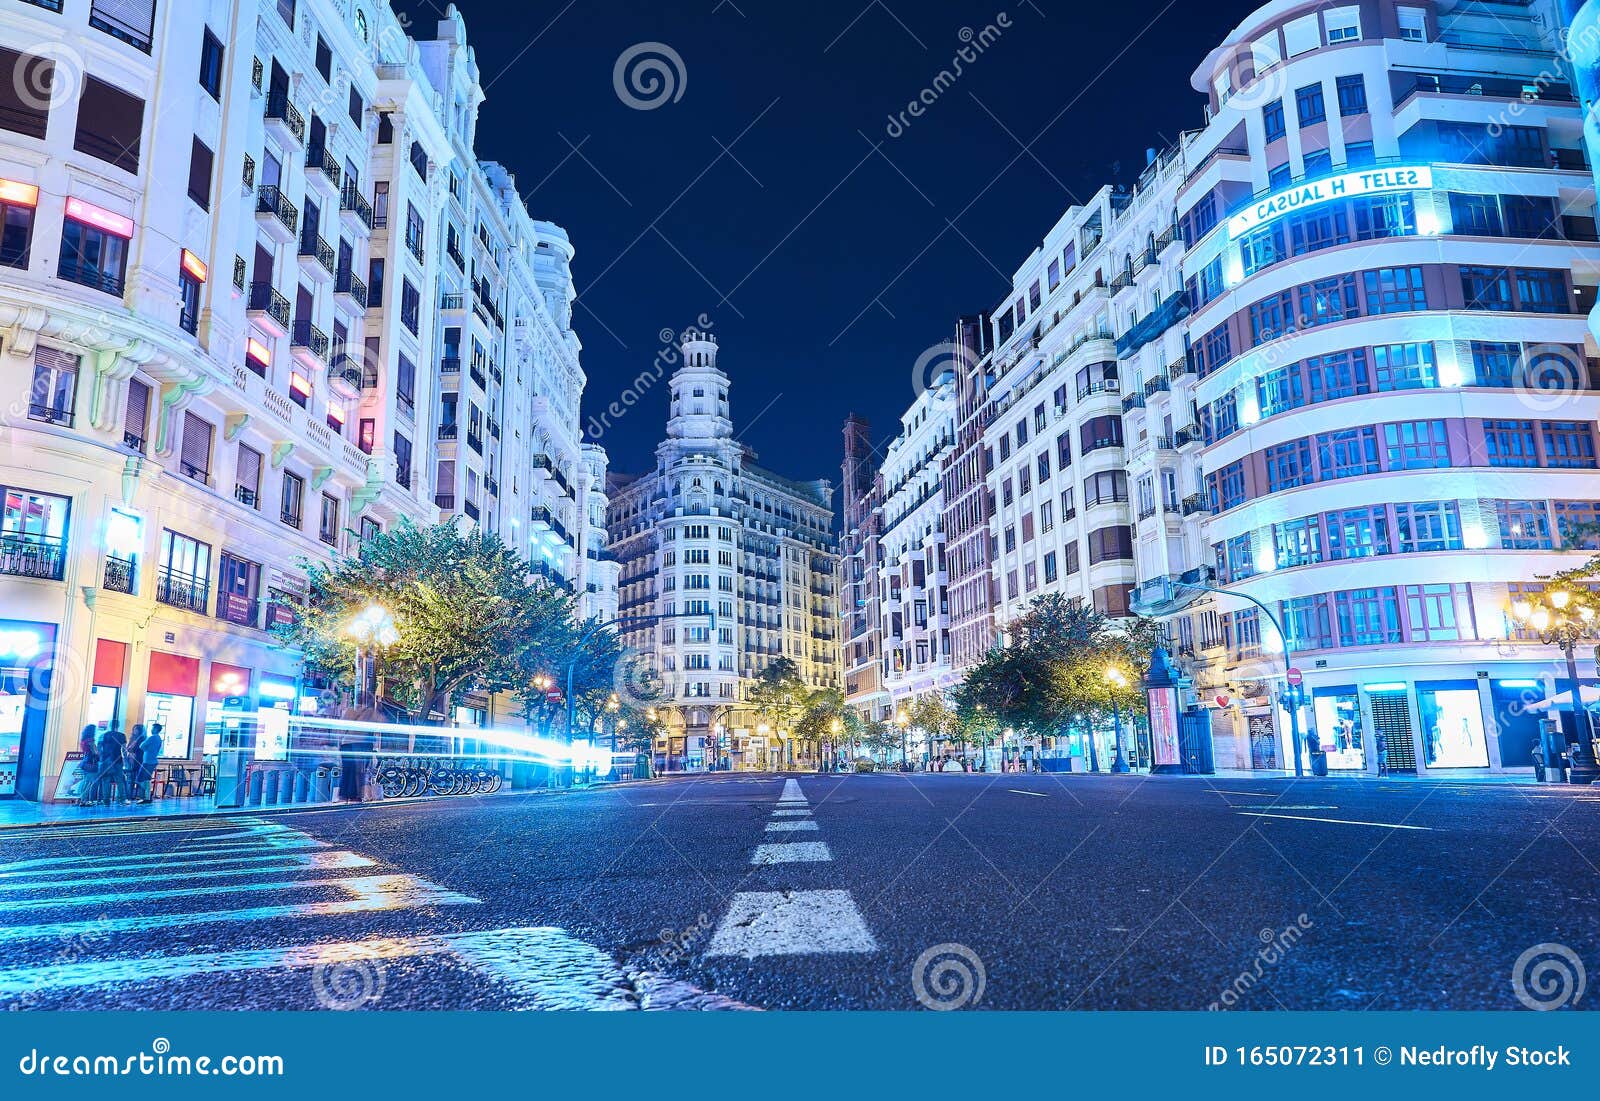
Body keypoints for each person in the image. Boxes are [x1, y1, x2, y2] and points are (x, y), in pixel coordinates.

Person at [96, 722, 128, 805]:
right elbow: (124, 749)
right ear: (118, 726)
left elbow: (99, 747)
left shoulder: (104, 735)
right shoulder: (122, 735)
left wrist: (101, 757)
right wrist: (125, 760)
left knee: (106, 780)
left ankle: (106, 800)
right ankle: (122, 799)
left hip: (105, 760)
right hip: (117, 760)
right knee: (119, 781)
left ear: (110, 726)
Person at [136, 724, 163, 802]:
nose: (151, 730)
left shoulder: (152, 737)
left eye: (152, 728)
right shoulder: (159, 738)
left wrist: (146, 749)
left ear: (156, 729)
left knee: (141, 778)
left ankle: (144, 797)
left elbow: (141, 746)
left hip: (148, 761)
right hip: (153, 760)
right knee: (146, 779)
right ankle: (146, 797)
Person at [74, 724, 99, 805]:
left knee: (85, 782)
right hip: (90, 763)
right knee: (89, 783)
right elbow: (95, 752)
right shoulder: (90, 740)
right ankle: (83, 800)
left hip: (85, 763)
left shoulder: (83, 740)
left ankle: (79, 799)